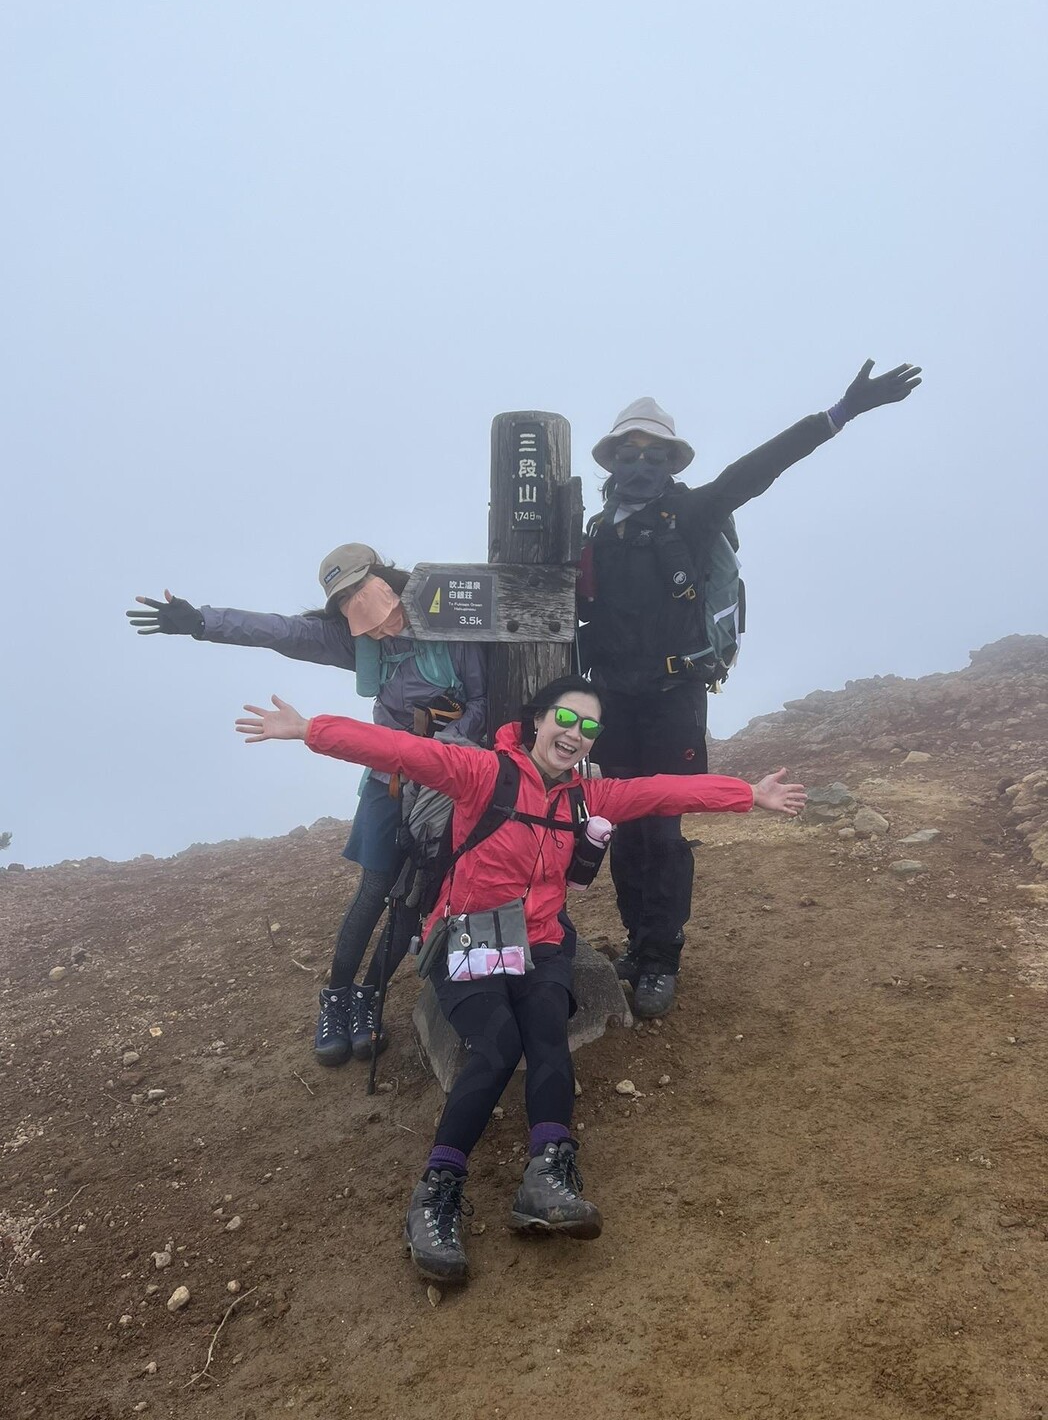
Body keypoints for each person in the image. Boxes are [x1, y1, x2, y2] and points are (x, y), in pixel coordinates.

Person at [234, 676, 806, 1286]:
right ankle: (436, 1193)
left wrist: (749, 795)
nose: (575, 734)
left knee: (547, 1035)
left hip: (542, 943)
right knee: (498, 1045)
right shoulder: (483, 774)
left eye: (589, 727)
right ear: (538, 719)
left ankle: (547, 1177)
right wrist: (309, 729)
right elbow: (400, 751)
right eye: (566, 718)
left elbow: (663, 791)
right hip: (470, 935)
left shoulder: (590, 796)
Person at [578, 359, 922, 1019]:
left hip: (674, 699)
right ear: (612, 460)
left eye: (653, 453)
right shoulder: (596, 531)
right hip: (612, 700)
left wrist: (840, 413)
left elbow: (758, 470)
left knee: (664, 829)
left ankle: (662, 957)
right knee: (620, 824)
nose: (640, 463)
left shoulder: (692, 513)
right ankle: (637, 944)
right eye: (629, 452)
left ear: (671, 462)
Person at [128, 543, 488, 1067]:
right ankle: (336, 999)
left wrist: (441, 750)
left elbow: (479, 701)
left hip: (445, 777)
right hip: (388, 778)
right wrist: (201, 621)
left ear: (388, 584)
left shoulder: (451, 623)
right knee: (375, 888)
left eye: (378, 609)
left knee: (415, 894)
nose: (379, 628)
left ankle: (369, 997)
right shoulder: (352, 641)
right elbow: (280, 631)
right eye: (356, 613)